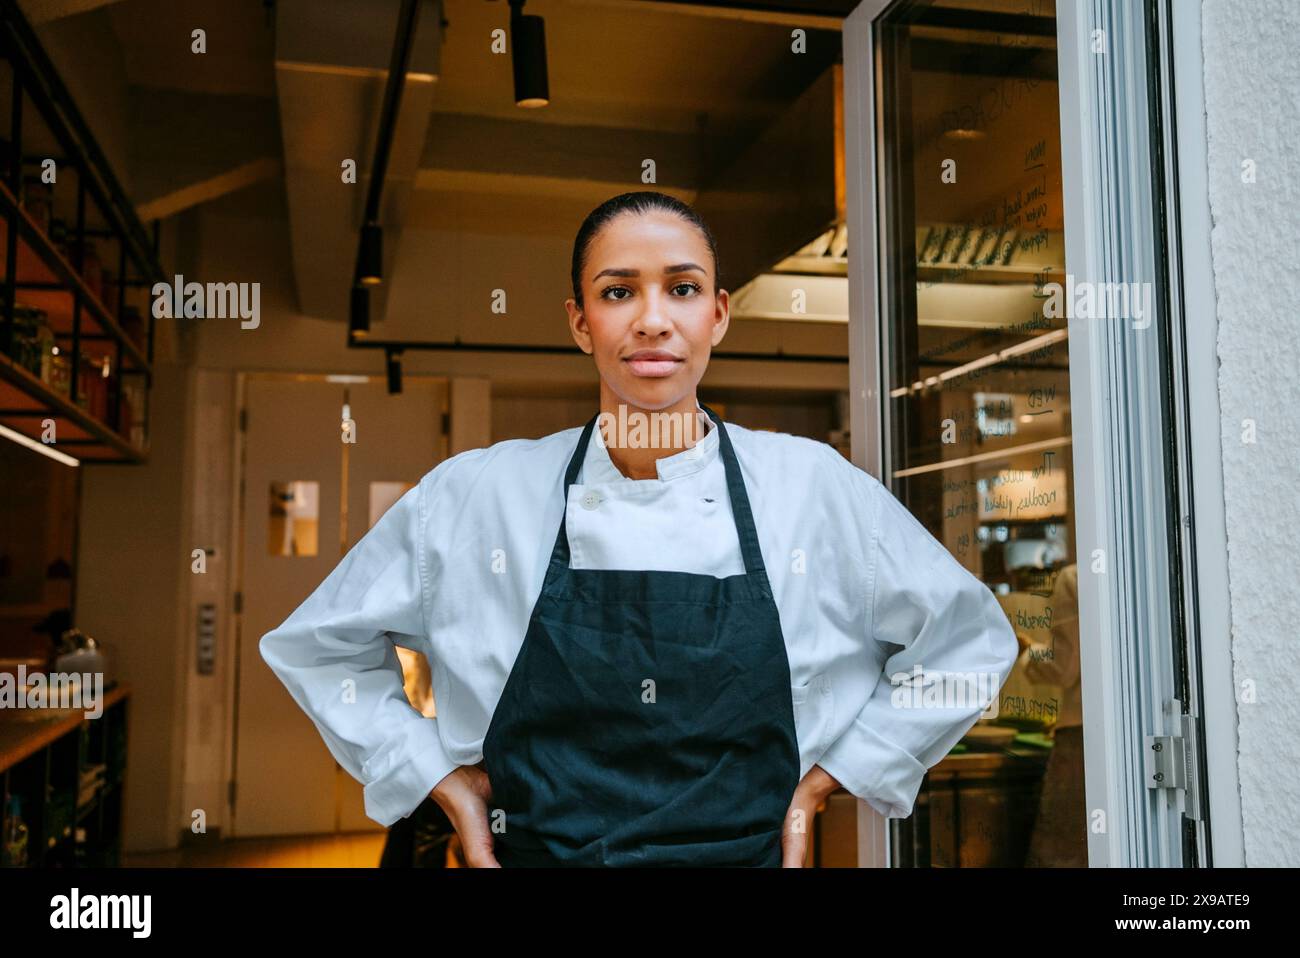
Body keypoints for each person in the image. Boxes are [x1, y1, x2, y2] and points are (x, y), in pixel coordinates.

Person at [259, 190, 1020, 868]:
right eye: (618, 291)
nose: (653, 320)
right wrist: (434, 779)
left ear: (717, 314)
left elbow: (967, 642)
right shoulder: (475, 495)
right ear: (579, 323)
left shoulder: (810, 487)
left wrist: (826, 784)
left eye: (682, 289)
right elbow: (319, 649)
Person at [1016, 563, 1087, 867]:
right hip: (1142, 735)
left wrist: (1026, 651)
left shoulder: (1074, 578)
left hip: (1081, 738)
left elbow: (1063, 665)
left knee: (1062, 854)